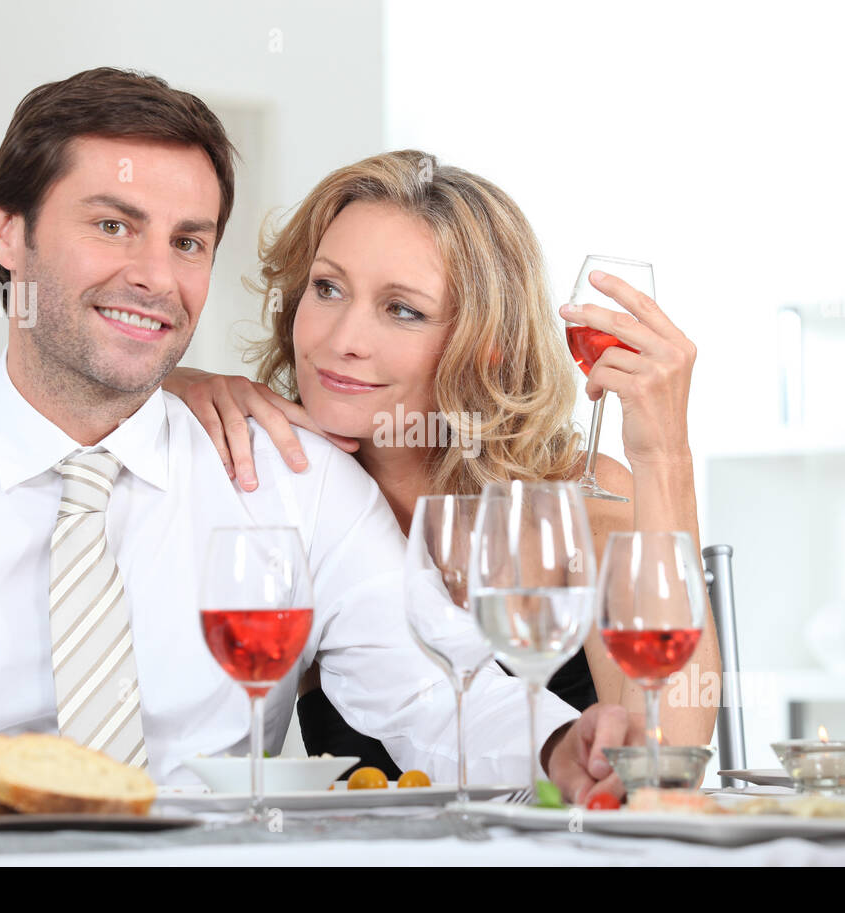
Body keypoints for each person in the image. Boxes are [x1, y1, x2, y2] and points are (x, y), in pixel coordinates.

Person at [0, 67, 642, 828]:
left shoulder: (299, 484)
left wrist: (562, 746)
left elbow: (434, 694)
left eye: (188, 241)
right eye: (113, 226)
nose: (156, 275)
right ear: (8, 232)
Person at [162, 151, 721, 769]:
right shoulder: (275, 486)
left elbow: (668, 755)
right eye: (327, 288)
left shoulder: (579, 506)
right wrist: (162, 381)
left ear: (486, 345)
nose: (342, 340)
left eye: (403, 310)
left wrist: (663, 451)